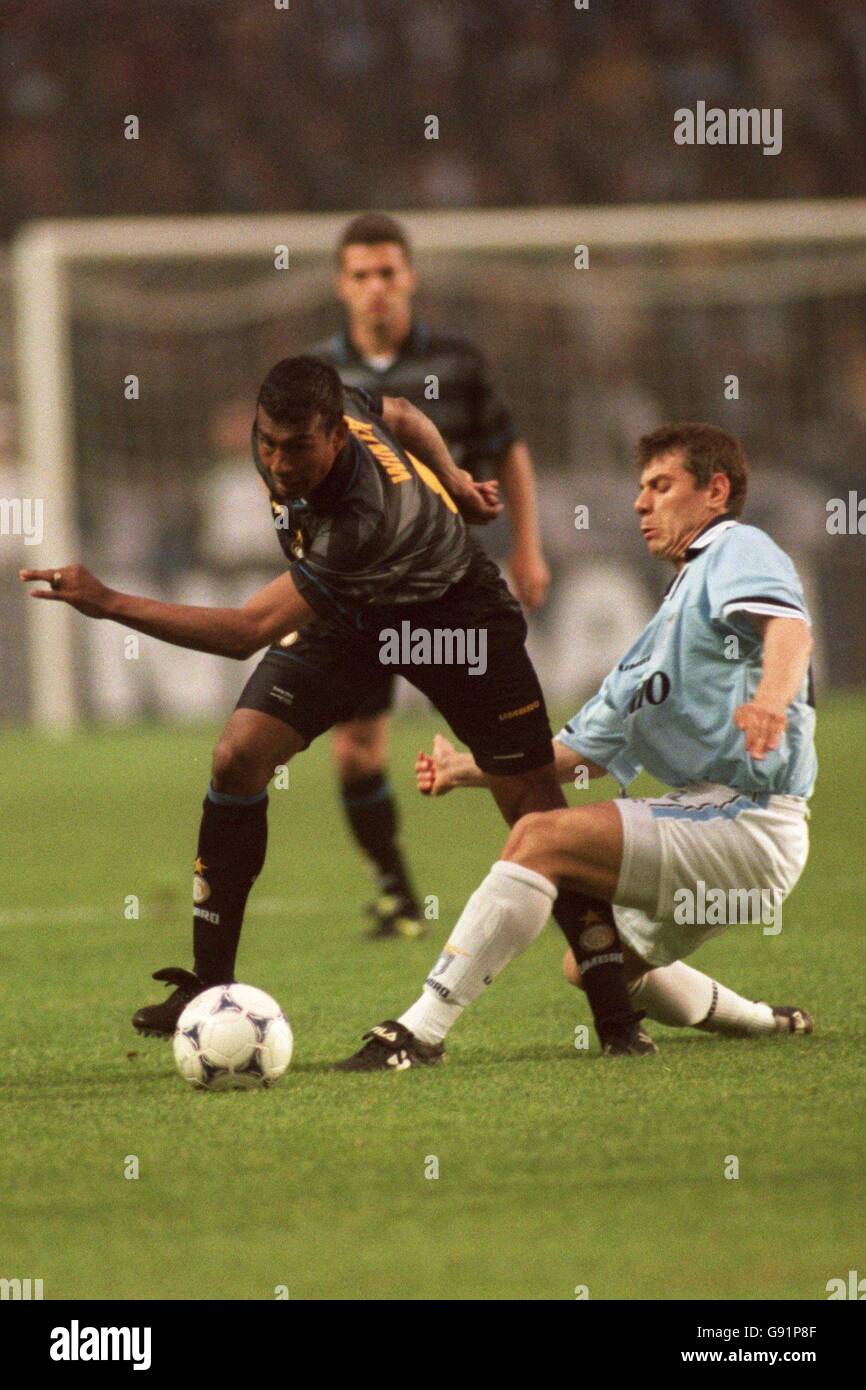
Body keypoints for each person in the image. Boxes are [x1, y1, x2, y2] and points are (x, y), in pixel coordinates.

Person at [21, 357, 647, 1054]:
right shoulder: (332, 405)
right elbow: (405, 415)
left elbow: (245, 633)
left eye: (297, 448)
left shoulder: (363, 516)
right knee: (238, 756)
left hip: (455, 620)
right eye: (267, 442)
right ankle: (207, 985)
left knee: (533, 809)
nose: (279, 463)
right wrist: (460, 485)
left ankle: (619, 1021)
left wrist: (108, 602)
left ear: (338, 438)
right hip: (353, 620)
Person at [338, 423, 815, 1069]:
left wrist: (773, 700)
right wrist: (466, 769)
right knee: (595, 967)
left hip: (749, 818)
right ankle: (765, 1023)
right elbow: (574, 756)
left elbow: (789, 627)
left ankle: (419, 1032)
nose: (642, 503)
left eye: (661, 485)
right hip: (724, 836)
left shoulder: (733, 546)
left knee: (542, 837)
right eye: (640, 488)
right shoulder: (659, 637)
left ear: (716, 491)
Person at [313, 213, 550, 940]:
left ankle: (550, 874)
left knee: (503, 750)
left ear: (410, 276)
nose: (377, 288)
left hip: (451, 588)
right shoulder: (320, 377)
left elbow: (508, 451)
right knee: (355, 748)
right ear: (341, 286)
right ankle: (396, 891)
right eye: (361, 275)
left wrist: (529, 547)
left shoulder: (460, 361)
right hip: (357, 590)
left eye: (388, 272)